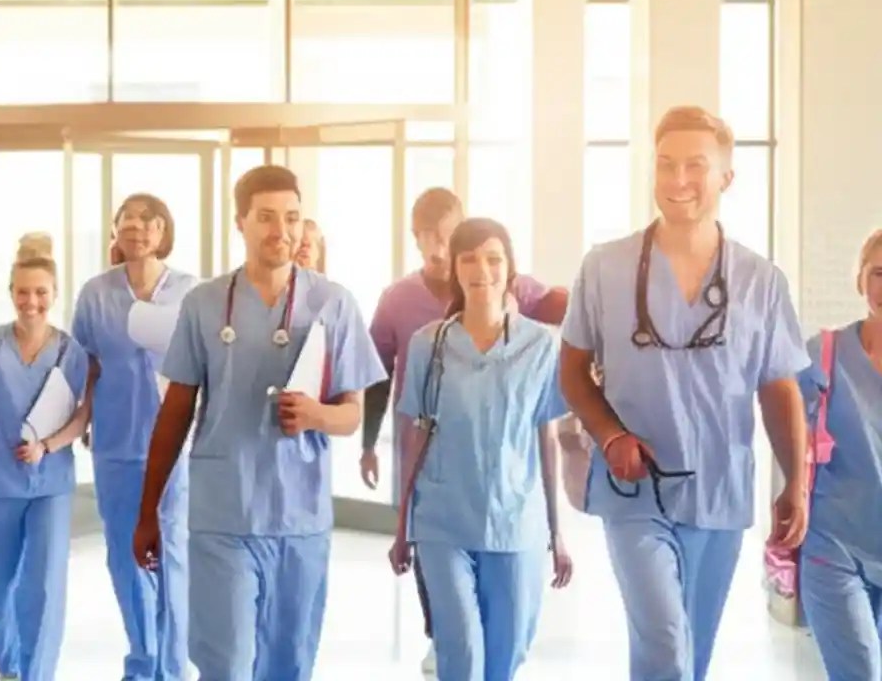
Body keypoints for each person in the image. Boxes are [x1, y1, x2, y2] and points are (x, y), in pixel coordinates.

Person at [558, 106, 810, 680]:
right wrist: (610, 435)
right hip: (633, 490)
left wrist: (795, 482)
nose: (678, 180)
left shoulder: (761, 281)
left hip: (720, 488)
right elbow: (571, 371)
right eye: (665, 164)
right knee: (666, 644)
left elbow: (778, 389)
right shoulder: (604, 267)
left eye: (696, 165)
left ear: (726, 176)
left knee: (689, 659)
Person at [132, 164, 386, 681]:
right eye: (266, 217)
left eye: (292, 217)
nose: (282, 230)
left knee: (288, 666)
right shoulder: (205, 304)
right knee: (225, 665)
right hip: (223, 513)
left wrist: (317, 414)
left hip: (299, 519)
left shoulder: (333, 303)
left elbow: (352, 413)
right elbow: (175, 412)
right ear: (240, 222)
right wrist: (148, 510)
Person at [361, 186, 570, 674]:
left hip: (515, 522)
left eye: (494, 259)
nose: (482, 270)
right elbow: (415, 438)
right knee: (460, 651)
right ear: (455, 269)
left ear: (510, 269)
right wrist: (403, 527)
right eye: (470, 259)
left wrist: (557, 533)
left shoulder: (539, 348)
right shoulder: (427, 344)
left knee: (505, 655)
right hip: (443, 521)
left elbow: (547, 439)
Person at [73, 193, 198, 680]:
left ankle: (173, 667)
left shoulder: (190, 291)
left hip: (173, 446)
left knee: (172, 556)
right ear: (115, 230)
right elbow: (85, 366)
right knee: (126, 558)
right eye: (128, 219)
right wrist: (82, 421)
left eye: (150, 221)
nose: (138, 227)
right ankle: (143, 661)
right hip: (115, 445)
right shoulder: (95, 293)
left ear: (164, 232)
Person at [0, 234, 92, 681]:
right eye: (23, 292)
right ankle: (9, 669)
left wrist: (47, 446)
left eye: (41, 292)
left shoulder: (72, 353)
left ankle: (38, 673)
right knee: (2, 583)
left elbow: (83, 413)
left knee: (44, 585)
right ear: (10, 293)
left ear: (55, 294)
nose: (31, 302)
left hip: (49, 482)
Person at [796, 229, 882, 681]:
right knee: (859, 672)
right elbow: (787, 434)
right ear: (860, 278)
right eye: (879, 273)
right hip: (834, 547)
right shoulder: (823, 354)